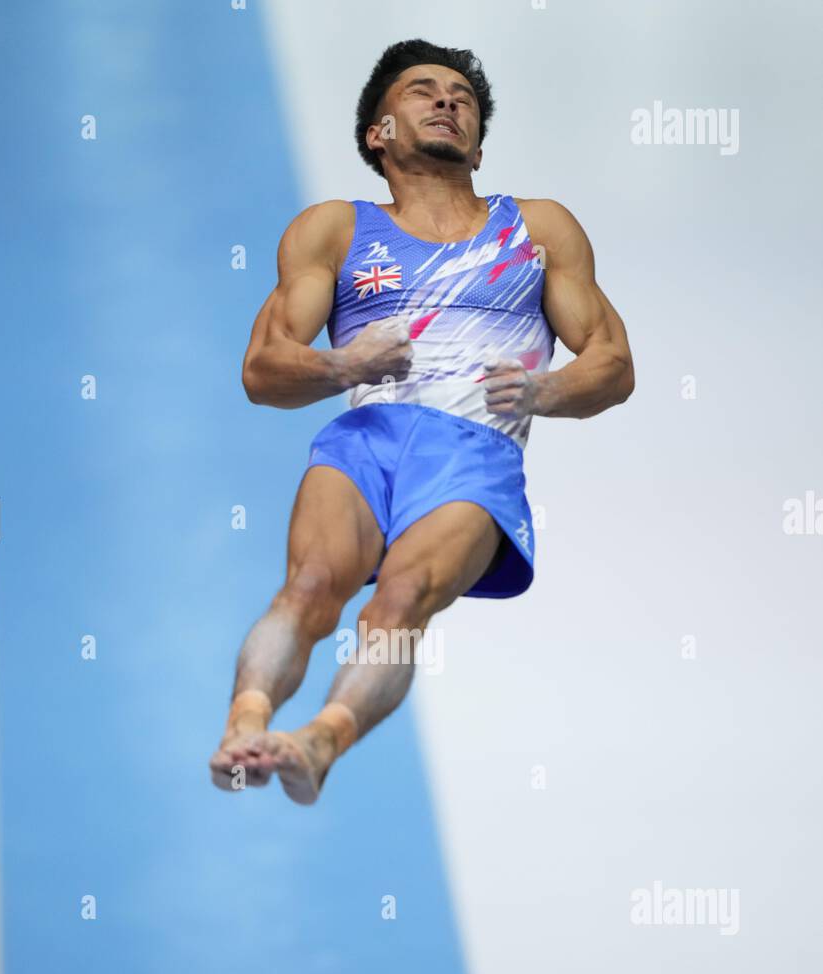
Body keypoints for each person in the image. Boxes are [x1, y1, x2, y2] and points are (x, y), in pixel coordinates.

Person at [210, 38, 633, 804]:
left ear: (477, 141)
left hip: (474, 453)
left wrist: (545, 392)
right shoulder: (334, 230)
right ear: (379, 133)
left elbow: (612, 364)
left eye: (463, 98)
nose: (447, 101)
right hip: (365, 440)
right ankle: (246, 724)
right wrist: (344, 366)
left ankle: (321, 739)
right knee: (309, 584)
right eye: (423, 91)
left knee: (399, 598)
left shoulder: (535, 228)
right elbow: (261, 372)